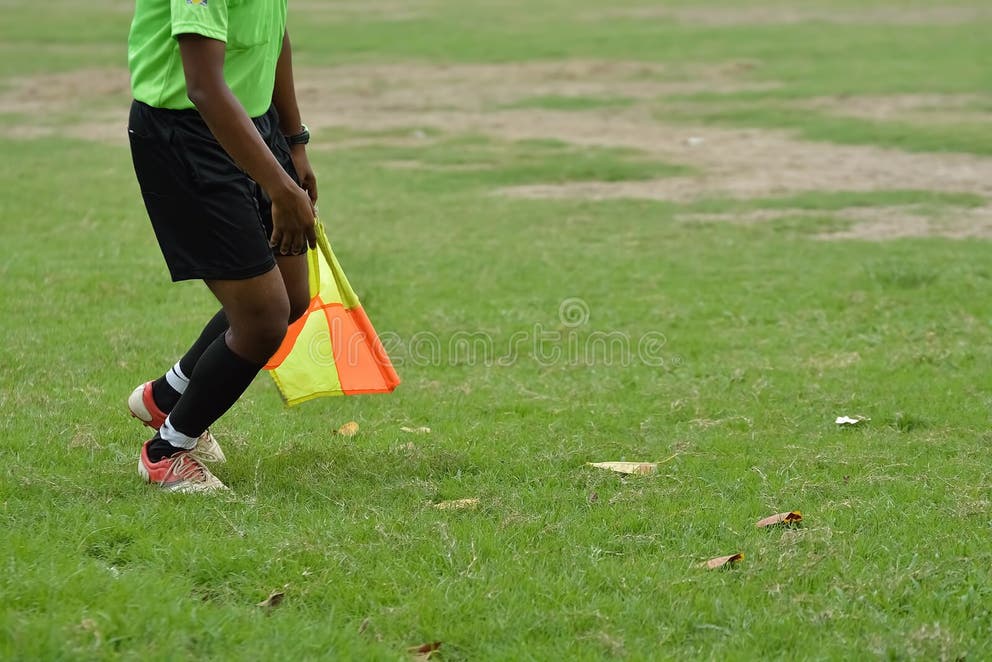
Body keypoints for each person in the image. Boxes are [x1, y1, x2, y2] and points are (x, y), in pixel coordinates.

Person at [125, 0, 317, 492]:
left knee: (292, 298)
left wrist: (294, 142)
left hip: (255, 124)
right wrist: (279, 188)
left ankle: (164, 397)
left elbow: (274, 35)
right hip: (187, 133)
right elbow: (203, 86)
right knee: (263, 319)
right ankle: (167, 451)